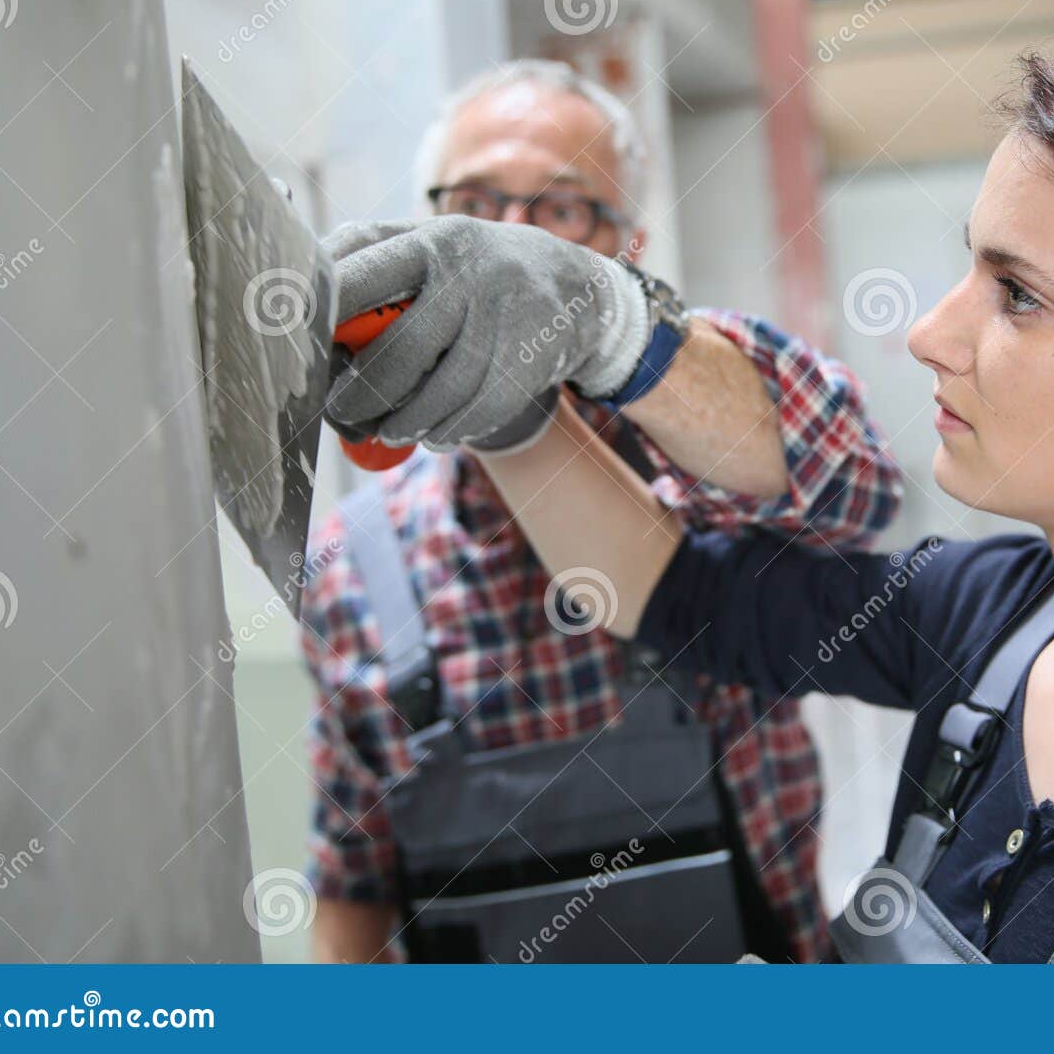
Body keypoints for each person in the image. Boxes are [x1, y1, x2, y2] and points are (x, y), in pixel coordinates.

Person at [327, 41, 1054, 961]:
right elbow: (674, 592)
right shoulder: (990, 623)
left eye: (1016, 294)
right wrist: (511, 394)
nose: (927, 332)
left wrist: (612, 320)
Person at [299, 60, 904, 963]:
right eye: (474, 200)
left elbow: (854, 484)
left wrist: (611, 324)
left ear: (630, 247)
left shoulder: (699, 473)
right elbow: (351, 883)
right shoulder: (352, 562)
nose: (511, 238)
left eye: (562, 210)